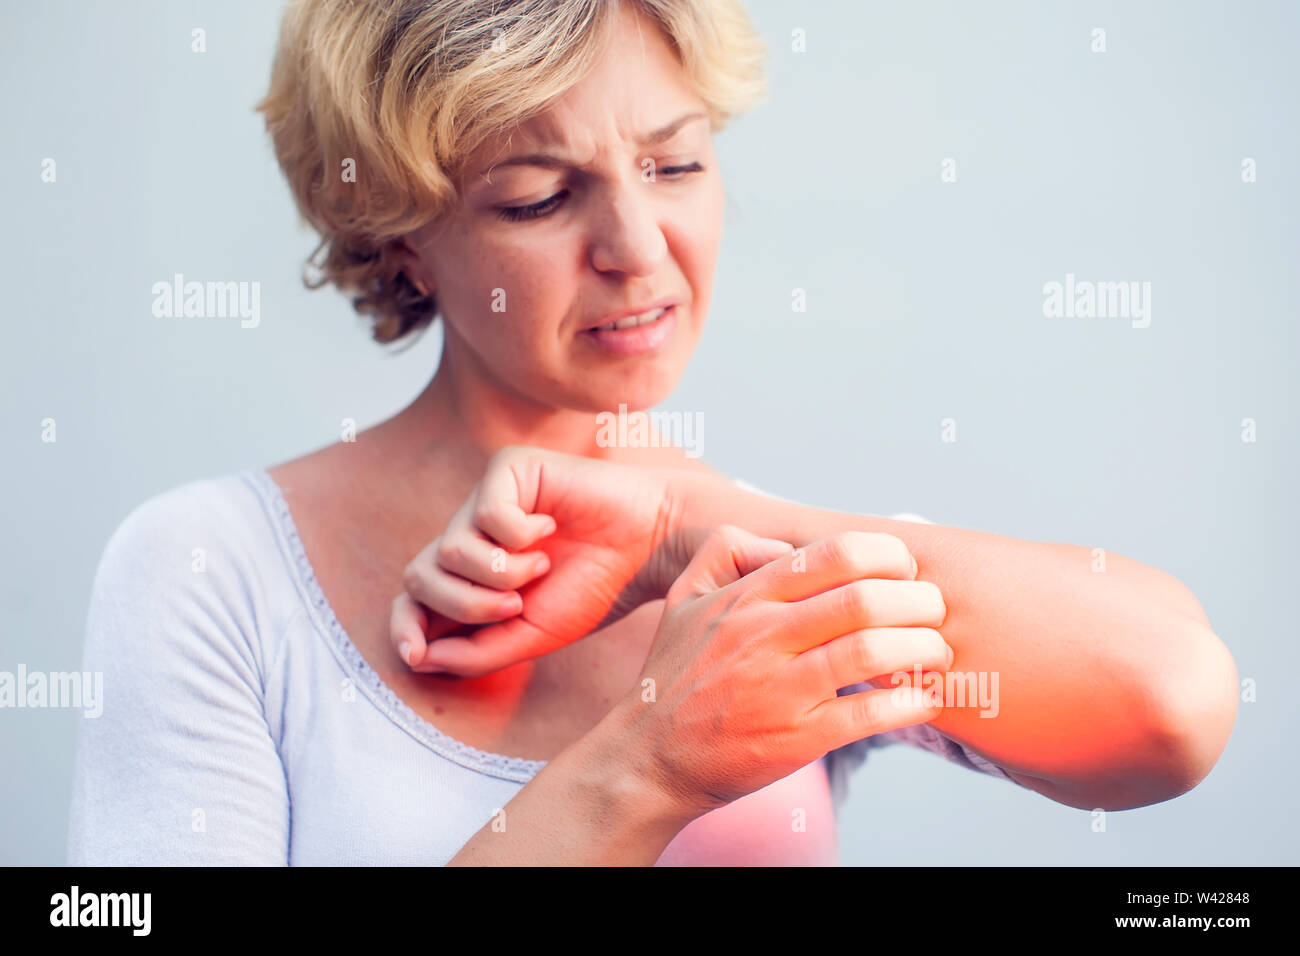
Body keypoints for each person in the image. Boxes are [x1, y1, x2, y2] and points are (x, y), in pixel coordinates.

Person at [67, 0, 1237, 866]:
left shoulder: (746, 558)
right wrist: (646, 762)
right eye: (538, 195)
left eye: (674, 161)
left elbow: (1173, 696)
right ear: (398, 234)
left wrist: (686, 523)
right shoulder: (212, 569)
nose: (638, 244)